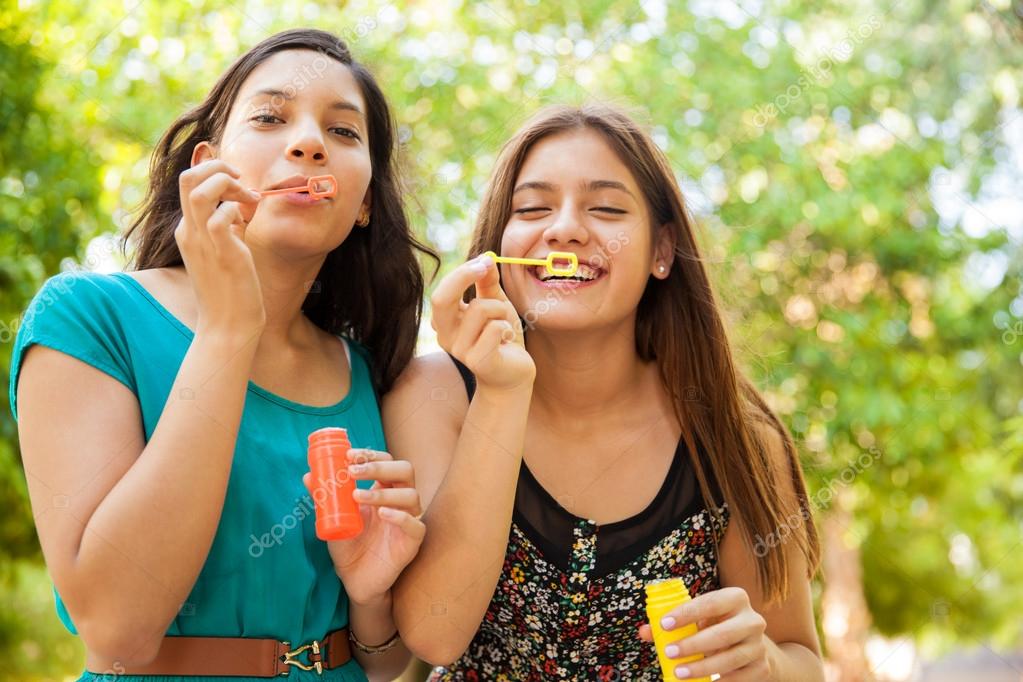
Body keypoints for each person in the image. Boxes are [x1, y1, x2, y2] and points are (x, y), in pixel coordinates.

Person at [10, 28, 433, 681]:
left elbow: (386, 665)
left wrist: (372, 598)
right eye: (269, 118)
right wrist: (230, 331)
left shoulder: (370, 372)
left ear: (365, 203)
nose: (309, 143)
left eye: (344, 133)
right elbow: (117, 628)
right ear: (207, 165)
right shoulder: (88, 317)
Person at [385, 104, 824, 681]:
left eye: (608, 208)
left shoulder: (735, 439)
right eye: (533, 208)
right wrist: (502, 390)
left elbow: (803, 661)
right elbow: (434, 633)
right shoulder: (432, 393)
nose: (564, 228)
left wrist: (763, 660)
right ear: (498, 248)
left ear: (662, 252)